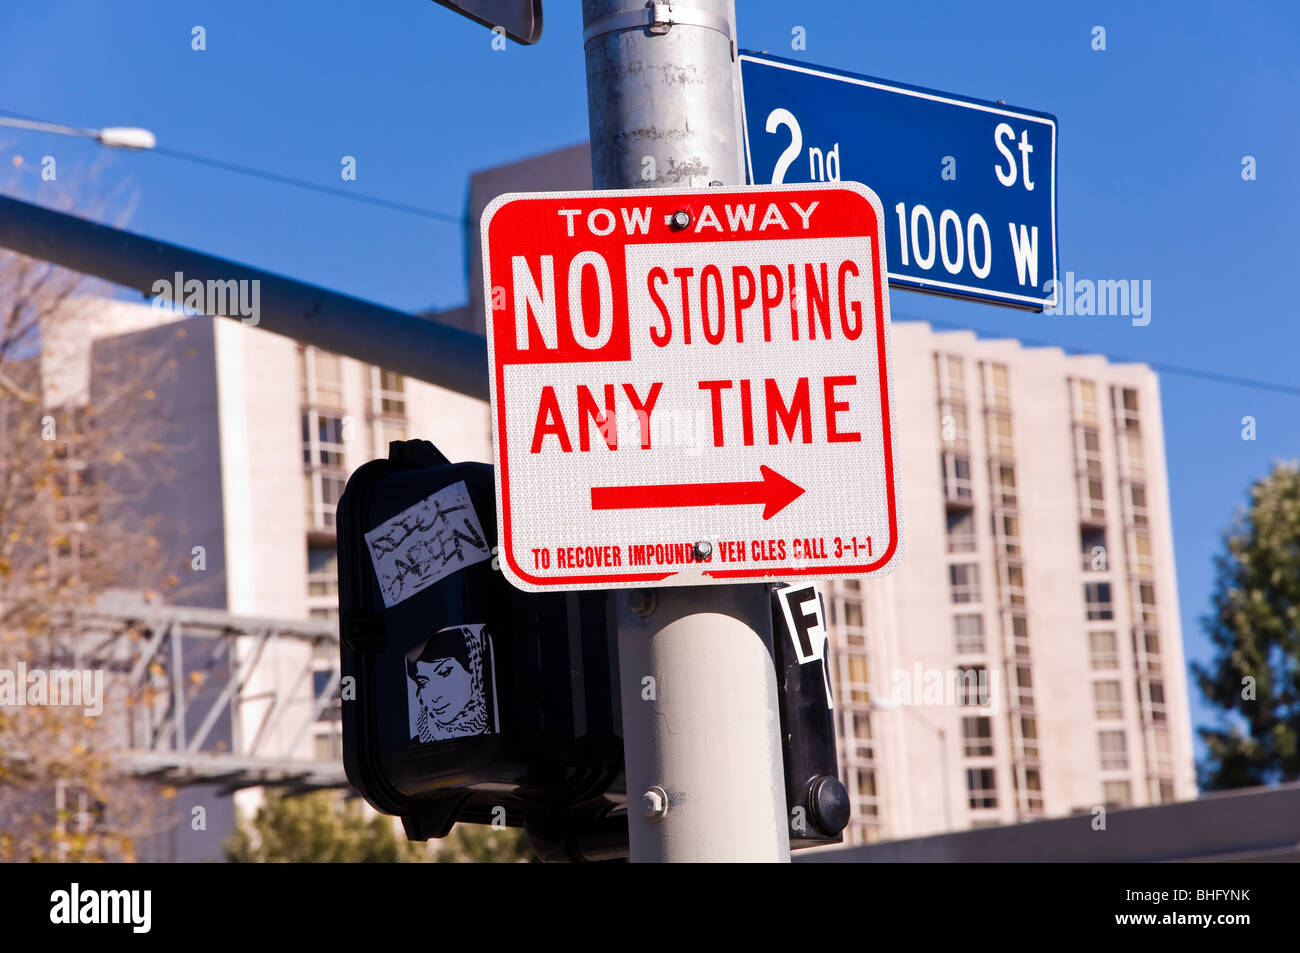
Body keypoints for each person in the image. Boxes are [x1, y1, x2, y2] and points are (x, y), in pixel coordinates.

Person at [405, 625, 493, 742]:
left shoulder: (504, 727)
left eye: (445, 672)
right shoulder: (415, 744)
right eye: (423, 683)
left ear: (474, 669)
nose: (435, 697)